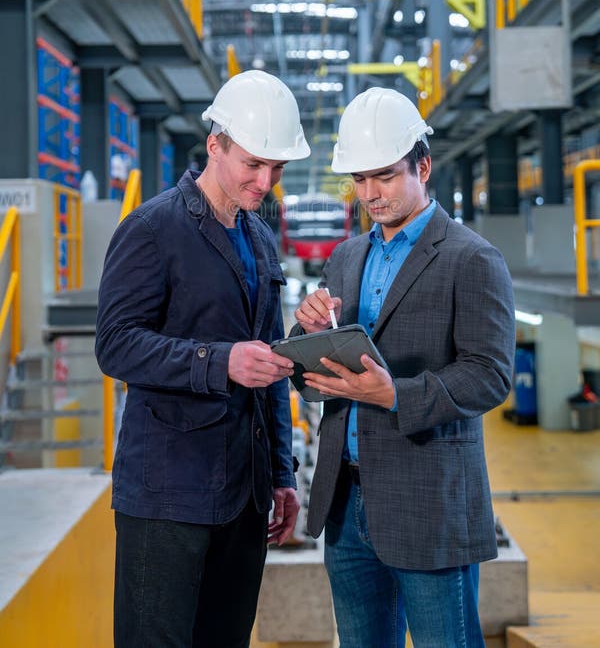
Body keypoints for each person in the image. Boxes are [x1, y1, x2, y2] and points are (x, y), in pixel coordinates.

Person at [292, 87, 515, 648]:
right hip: (346, 505)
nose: (371, 194)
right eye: (360, 180)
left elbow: (490, 374)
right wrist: (305, 334)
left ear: (423, 165)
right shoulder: (346, 257)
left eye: (385, 176)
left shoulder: (472, 259)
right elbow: (312, 368)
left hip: (429, 504)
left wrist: (395, 395)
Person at [95, 70, 311, 648]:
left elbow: (271, 366)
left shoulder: (260, 239)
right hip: (169, 493)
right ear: (215, 145)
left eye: (277, 167)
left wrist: (282, 476)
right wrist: (220, 362)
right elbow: (114, 343)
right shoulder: (153, 228)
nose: (266, 181)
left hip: (245, 493)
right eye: (253, 164)